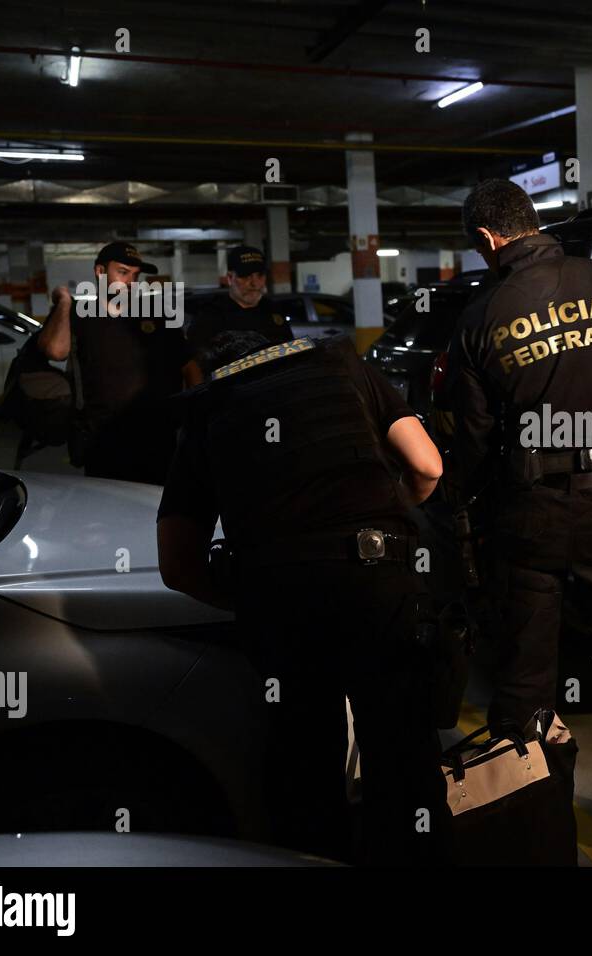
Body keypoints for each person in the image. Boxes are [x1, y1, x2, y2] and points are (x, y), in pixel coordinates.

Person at [156, 330, 446, 863]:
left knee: (305, 770)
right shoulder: (344, 365)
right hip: (379, 583)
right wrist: (387, 513)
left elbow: (177, 565)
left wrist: (247, 596)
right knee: (404, 762)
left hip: (283, 605)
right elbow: (428, 465)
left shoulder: (208, 405)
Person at [445, 178, 592, 788]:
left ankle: (525, 815)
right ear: (532, 220)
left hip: (529, 521)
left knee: (525, 679)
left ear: (485, 237)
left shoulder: (479, 317)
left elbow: (471, 442)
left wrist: (464, 513)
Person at [36, 240, 198, 483]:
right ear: (100, 272)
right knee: (111, 512)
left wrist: (195, 416)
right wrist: (64, 302)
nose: (131, 282)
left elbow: (188, 365)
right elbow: (55, 351)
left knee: (158, 508)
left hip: (159, 437)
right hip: (104, 440)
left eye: (135, 275)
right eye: (123, 272)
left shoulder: (156, 313)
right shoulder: (79, 313)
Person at [185, 245, 293, 351]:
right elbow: (195, 362)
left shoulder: (274, 311)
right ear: (230, 278)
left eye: (260, 275)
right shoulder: (210, 316)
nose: (254, 284)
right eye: (246, 276)